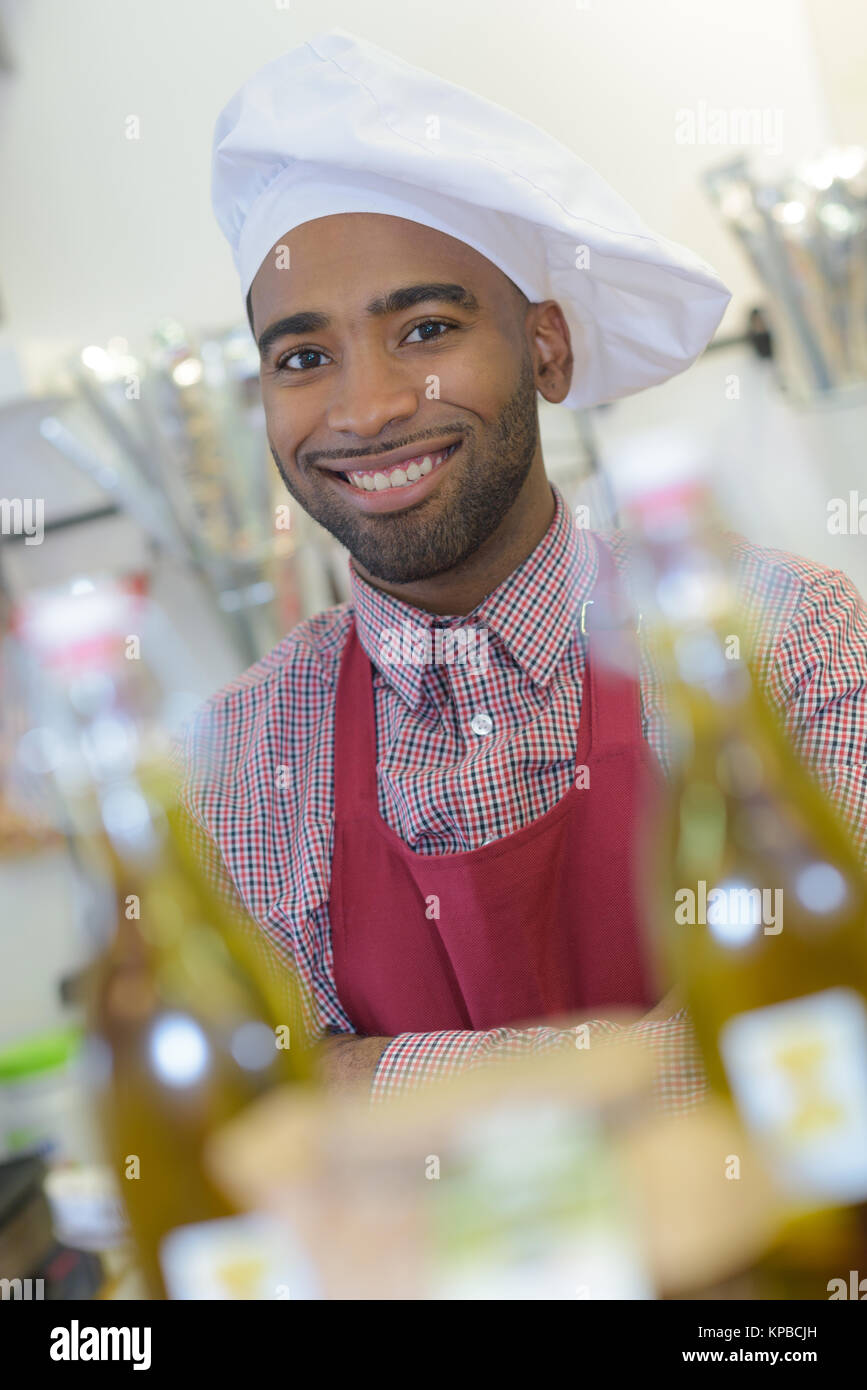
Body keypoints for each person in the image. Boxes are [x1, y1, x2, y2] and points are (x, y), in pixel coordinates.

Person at [179, 30, 867, 1104]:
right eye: (304, 357)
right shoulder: (242, 753)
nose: (365, 409)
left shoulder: (790, 638)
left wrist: (378, 1080)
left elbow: (830, 1021)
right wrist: (667, 1055)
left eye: (426, 327)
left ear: (544, 345)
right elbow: (271, 1117)